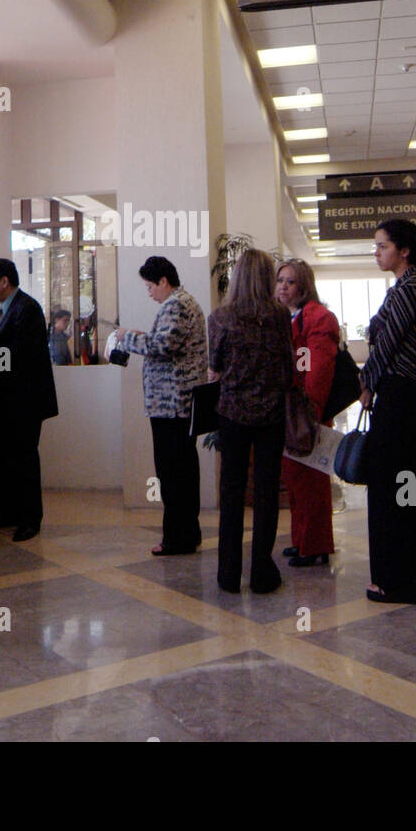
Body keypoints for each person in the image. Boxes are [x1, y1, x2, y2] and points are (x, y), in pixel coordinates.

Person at [359, 219, 416, 605]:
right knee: (414, 484)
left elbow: (385, 345)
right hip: (413, 393)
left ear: (404, 251)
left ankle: (395, 580)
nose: (377, 253)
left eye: (382, 246)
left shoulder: (408, 288)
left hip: (398, 393)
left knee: (389, 486)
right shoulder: (415, 287)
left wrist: (366, 382)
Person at [207, 248, 293, 594]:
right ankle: (261, 571)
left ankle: (228, 573)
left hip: (232, 414)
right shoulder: (279, 316)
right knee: (266, 491)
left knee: (231, 492)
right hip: (270, 415)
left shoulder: (221, 318)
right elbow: (287, 367)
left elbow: (214, 367)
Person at [114, 256, 208, 556]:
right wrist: (145, 337)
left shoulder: (176, 304)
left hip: (172, 404)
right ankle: (187, 534)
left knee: (172, 474)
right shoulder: (182, 303)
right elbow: (165, 341)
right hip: (177, 403)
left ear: (163, 281)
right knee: (182, 471)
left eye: (149, 286)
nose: (149, 293)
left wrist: (126, 337)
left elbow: (162, 347)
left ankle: (177, 539)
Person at [0, 258, 59, 542]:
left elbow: (21, 355)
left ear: (4, 282)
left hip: (24, 401)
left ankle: (30, 519)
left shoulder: (27, 308)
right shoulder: (3, 309)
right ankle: (7, 513)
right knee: (4, 459)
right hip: (5, 401)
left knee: (24, 458)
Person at [275, 259, 339, 568]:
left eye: (290, 281)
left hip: (307, 412)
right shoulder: (291, 318)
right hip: (293, 410)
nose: (283, 287)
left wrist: (311, 412)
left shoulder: (318, 317)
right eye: (280, 281)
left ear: (304, 286)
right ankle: (301, 540)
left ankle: (315, 545)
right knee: (296, 479)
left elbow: (319, 367)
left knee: (311, 480)